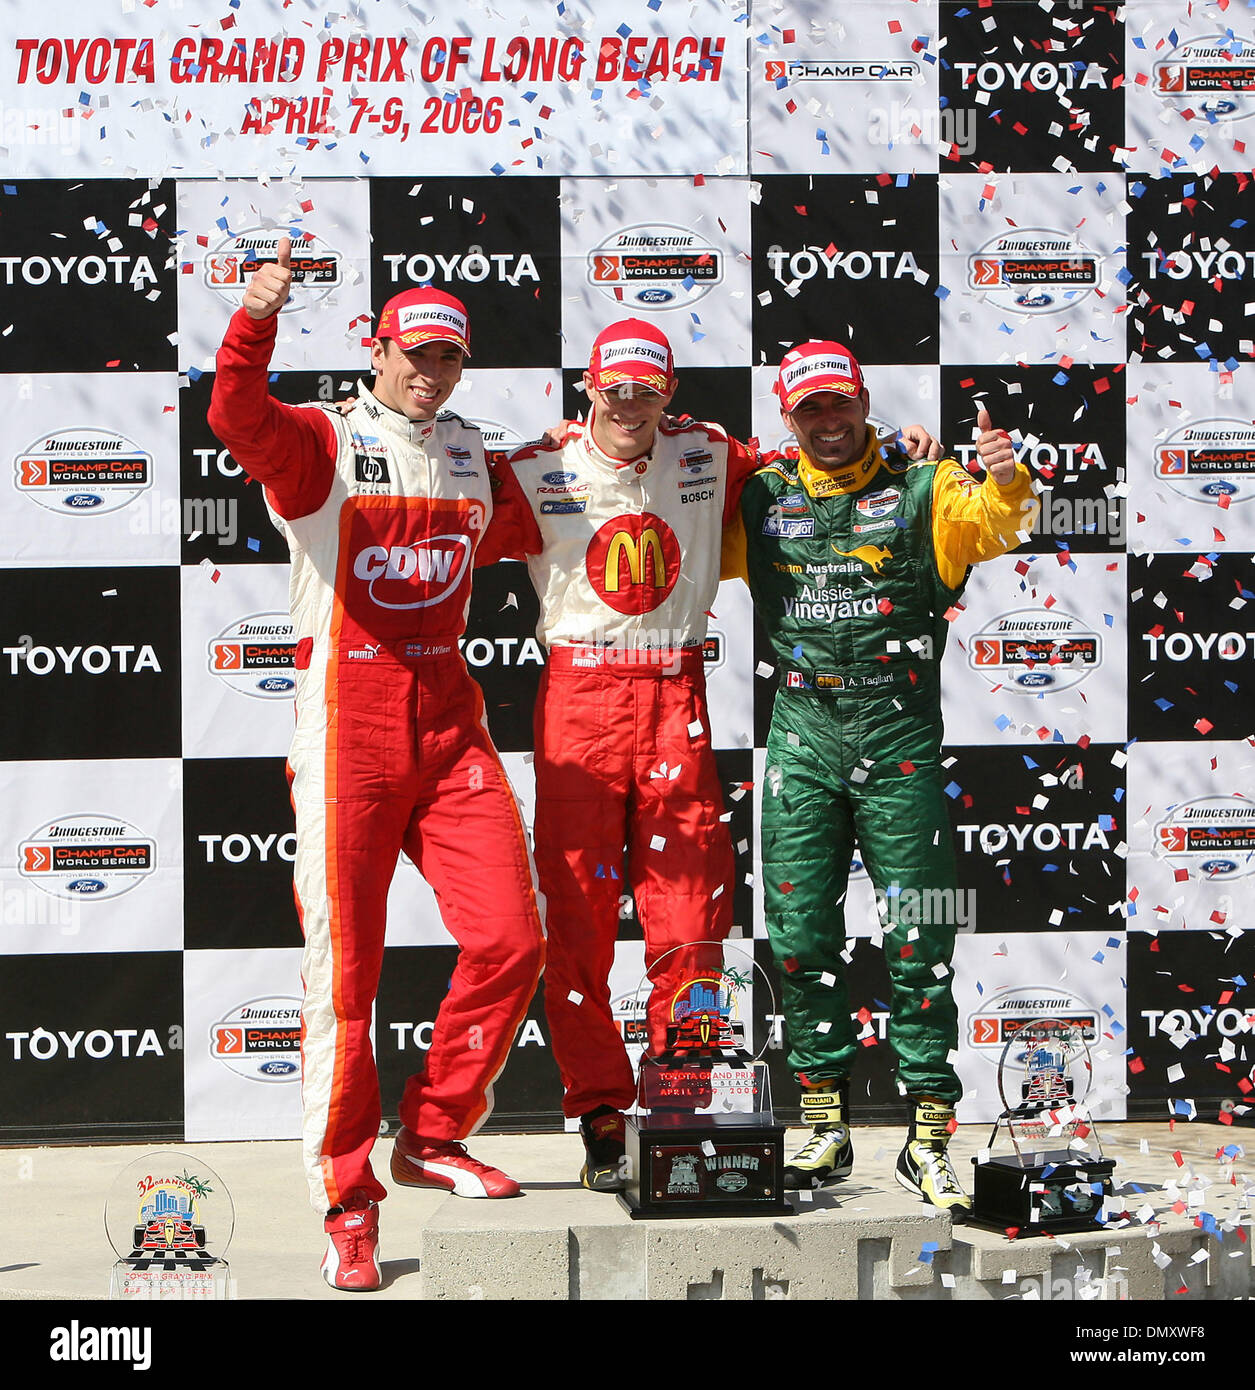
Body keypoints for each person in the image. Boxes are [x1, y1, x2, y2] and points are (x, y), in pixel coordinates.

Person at [486, 320, 941, 1192]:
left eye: (646, 389)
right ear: (589, 388)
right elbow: (448, 528)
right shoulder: (536, 466)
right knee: (577, 922)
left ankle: (683, 1096)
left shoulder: (711, 453)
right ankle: (598, 1111)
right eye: (615, 388)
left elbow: (815, 458)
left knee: (691, 913)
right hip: (580, 698)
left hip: (673, 691)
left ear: (669, 393)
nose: (630, 404)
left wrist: (896, 445)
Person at [207, 237, 546, 1291]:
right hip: (345, 731)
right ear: (377, 350)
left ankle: (433, 1132)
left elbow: (568, 508)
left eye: (448, 357)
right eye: (414, 353)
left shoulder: (473, 454)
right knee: (345, 983)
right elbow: (235, 417)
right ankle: (347, 1204)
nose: (429, 372)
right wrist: (253, 321)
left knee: (511, 939)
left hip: (448, 727)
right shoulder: (324, 439)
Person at [722, 339, 1037, 1214]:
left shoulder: (924, 485)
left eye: (839, 404)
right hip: (801, 736)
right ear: (788, 418)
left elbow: (999, 526)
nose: (827, 422)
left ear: (863, 401)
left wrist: (1004, 476)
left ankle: (927, 1137)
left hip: (898, 740)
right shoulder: (760, 494)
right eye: (809, 410)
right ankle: (823, 1126)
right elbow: (681, 521)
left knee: (920, 935)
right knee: (798, 935)